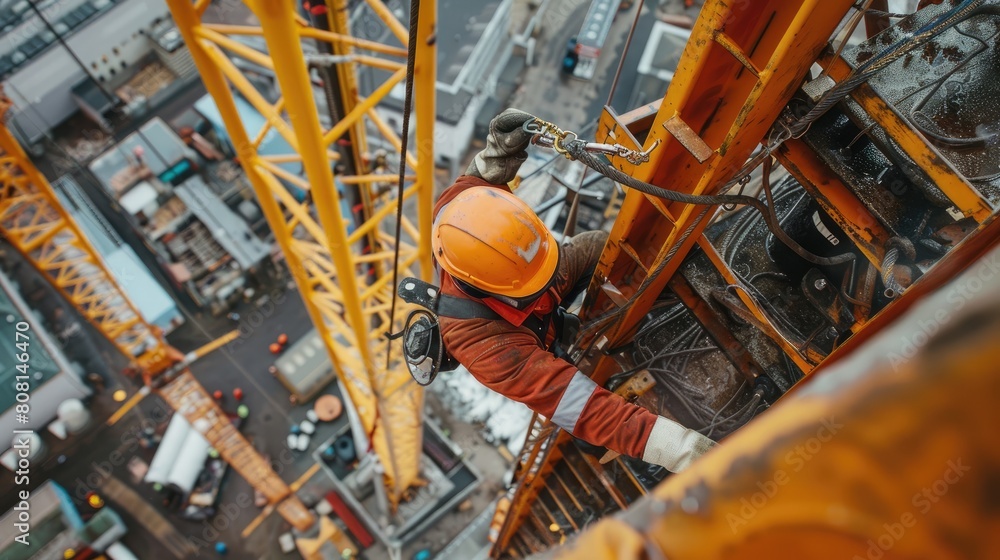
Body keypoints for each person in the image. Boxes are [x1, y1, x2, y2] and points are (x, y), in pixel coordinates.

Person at [431, 109, 715, 473]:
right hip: (526, 336)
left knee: (599, 245)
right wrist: (686, 451)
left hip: (531, 287)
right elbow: (588, 410)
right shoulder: (487, 350)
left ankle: (675, 289)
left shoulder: (456, 212)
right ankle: (597, 450)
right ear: (489, 290)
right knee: (582, 420)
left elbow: (478, 178)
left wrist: (500, 149)